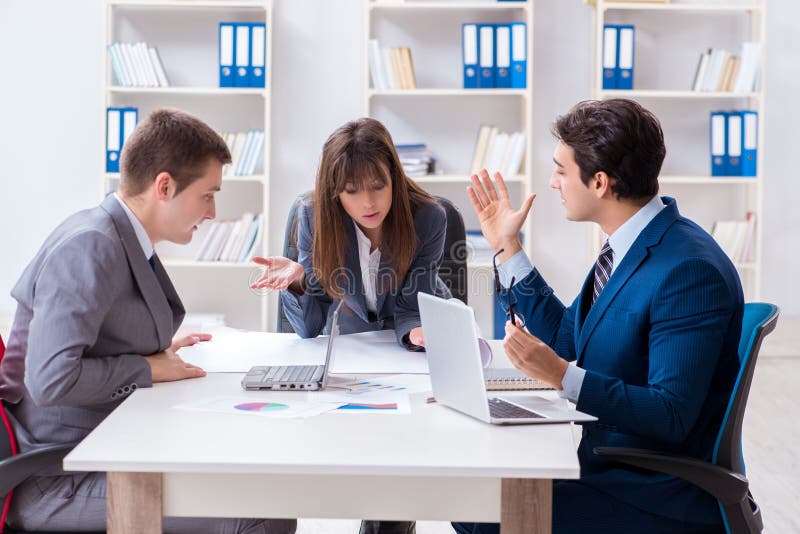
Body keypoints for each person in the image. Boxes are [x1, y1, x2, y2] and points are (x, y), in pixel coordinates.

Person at [0, 109, 296, 534]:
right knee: (259, 507)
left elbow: (98, 338)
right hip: (55, 476)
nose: (212, 212)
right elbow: (50, 379)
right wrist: (146, 367)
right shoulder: (90, 246)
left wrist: (158, 353)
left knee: (260, 480)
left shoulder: (125, 239)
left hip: (106, 444)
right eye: (208, 195)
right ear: (164, 186)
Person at [456, 99, 743, 534]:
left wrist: (562, 377)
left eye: (560, 171)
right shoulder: (626, 247)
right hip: (612, 469)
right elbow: (568, 340)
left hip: (656, 494)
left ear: (600, 183)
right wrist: (507, 248)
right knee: (473, 499)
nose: (553, 183)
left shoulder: (688, 272)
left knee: (482, 514)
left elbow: (671, 415)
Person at [250, 117, 450, 534]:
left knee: (397, 471)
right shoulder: (312, 216)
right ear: (334, 192)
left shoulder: (429, 217)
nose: (368, 202)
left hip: (409, 348)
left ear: (394, 176)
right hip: (354, 349)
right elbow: (307, 328)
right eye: (352, 190)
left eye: (378, 185)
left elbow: (413, 302)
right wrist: (301, 281)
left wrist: (417, 332)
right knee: (354, 454)